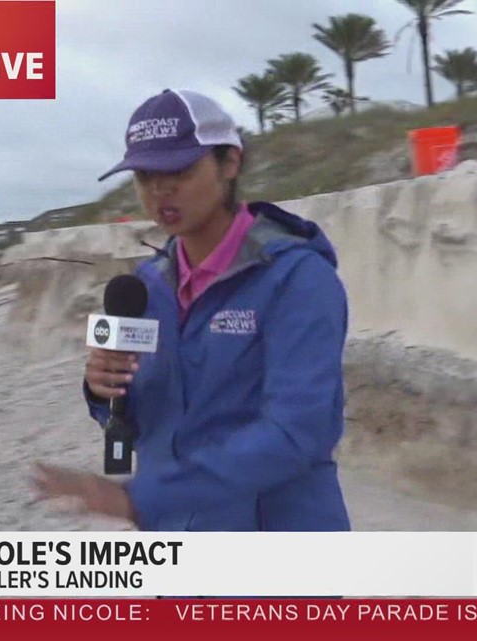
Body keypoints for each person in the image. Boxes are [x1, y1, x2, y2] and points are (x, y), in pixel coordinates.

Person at [32, 88, 351, 534]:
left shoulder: (297, 279)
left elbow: (296, 434)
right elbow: (144, 420)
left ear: (230, 163)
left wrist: (140, 498)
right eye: (145, 175)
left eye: (178, 169)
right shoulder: (145, 287)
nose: (160, 188)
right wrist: (104, 392)